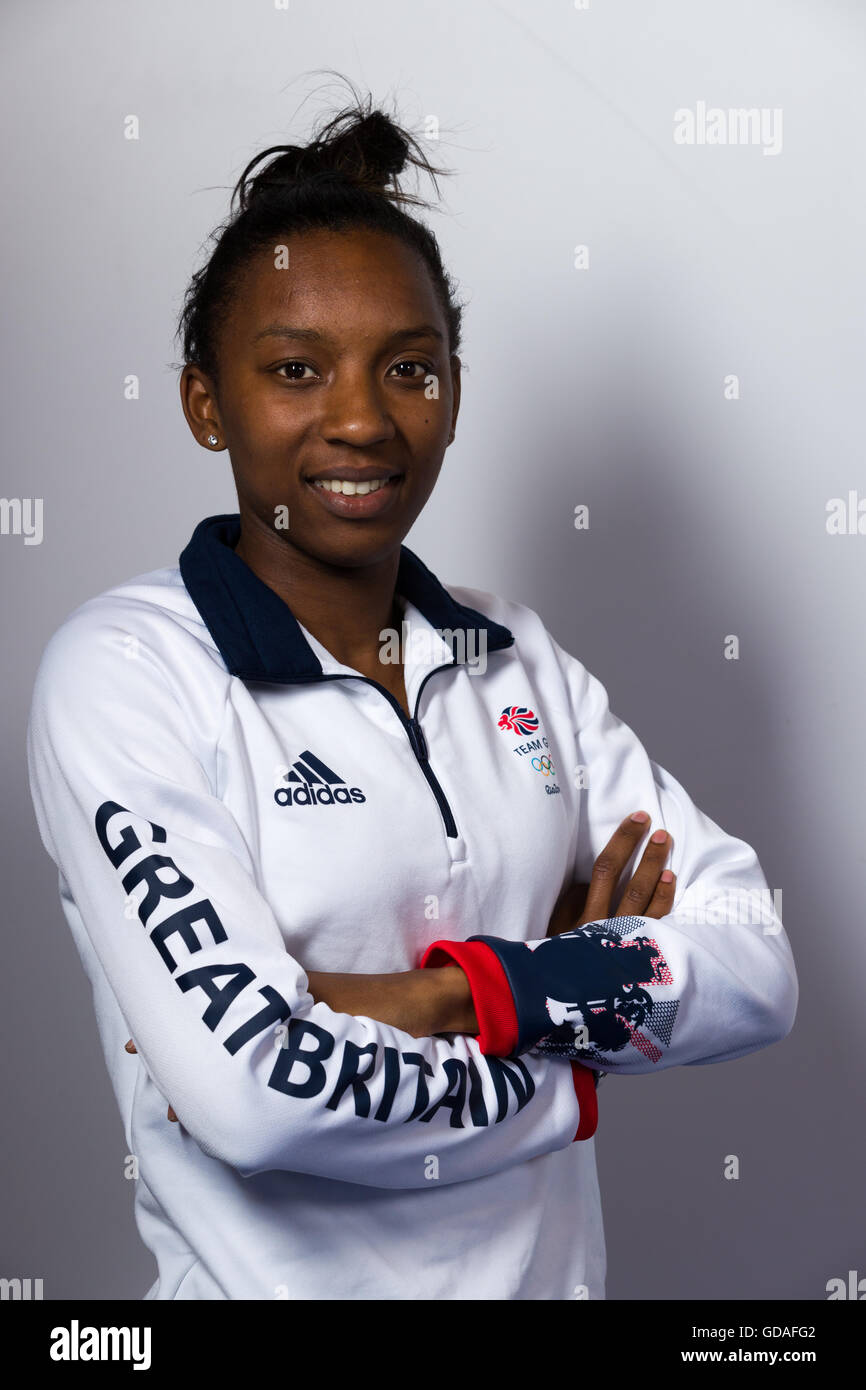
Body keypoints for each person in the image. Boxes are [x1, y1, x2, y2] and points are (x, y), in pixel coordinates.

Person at [25, 83, 798, 1301]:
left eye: (409, 369)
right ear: (203, 402)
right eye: (294, 369)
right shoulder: (126, 674)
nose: (361, 421)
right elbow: (258, 1098)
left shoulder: (514, 654)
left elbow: (755, 963)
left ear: (450, 389)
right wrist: (573, 1046)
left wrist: (464, 992)